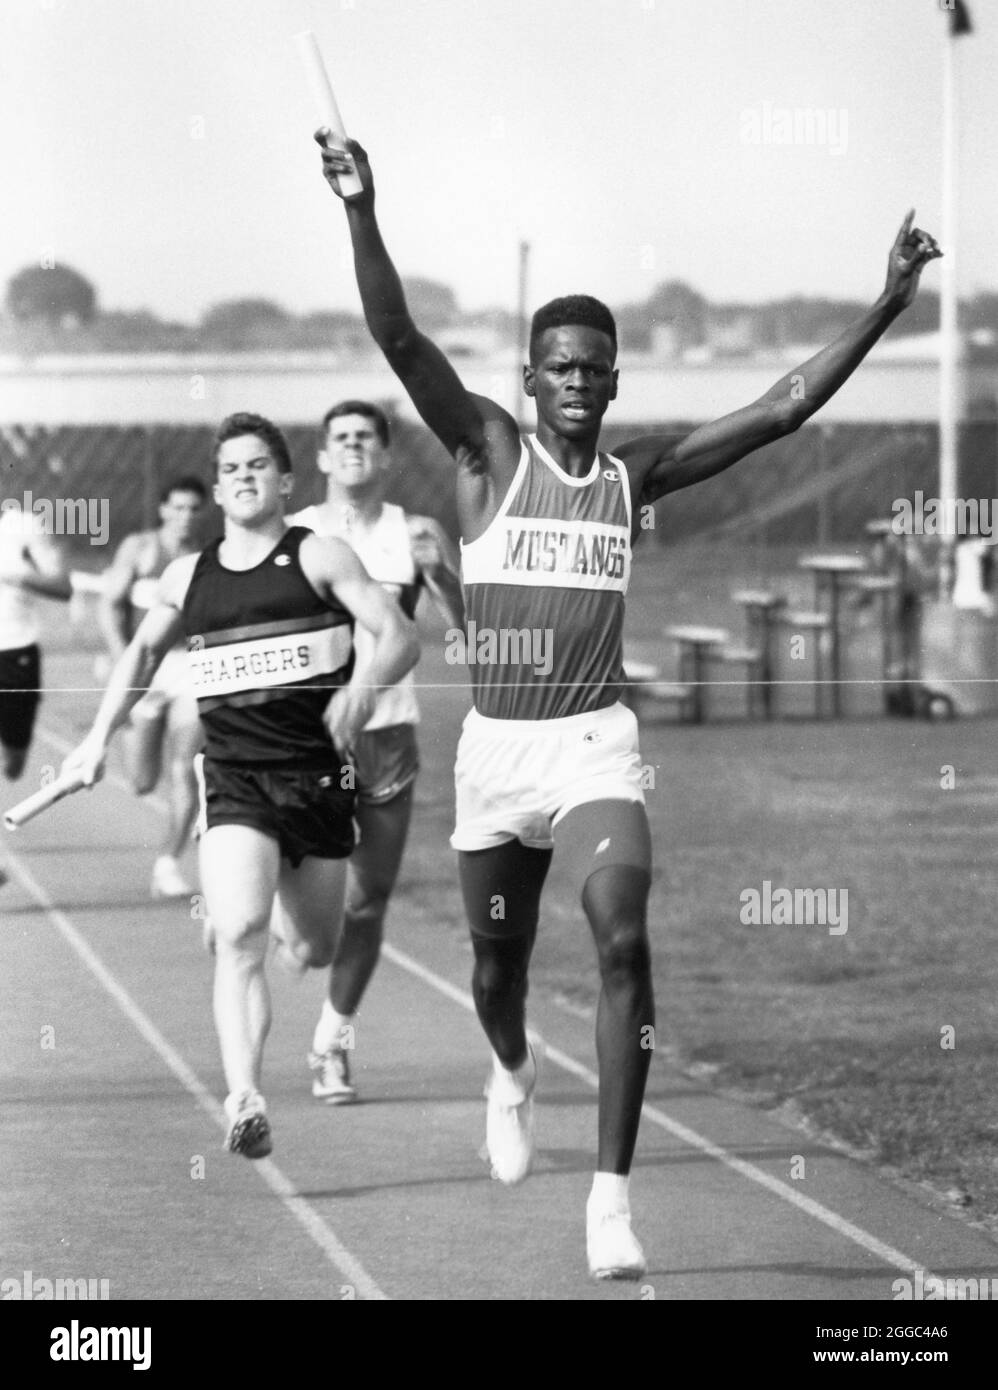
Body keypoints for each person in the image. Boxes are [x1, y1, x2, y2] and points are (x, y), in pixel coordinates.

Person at [317, 134, 940, 1279]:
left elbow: (779, 408)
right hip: (498, 757)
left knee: (622, 943)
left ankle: (609, 1197)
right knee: (496, 978)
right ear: (528, 379)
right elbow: (397, 337)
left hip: (596, 747)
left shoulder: (630, 478)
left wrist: (885, 303)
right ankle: (509, 1072)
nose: (572, 379)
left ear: (611, 382)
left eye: (591, 366)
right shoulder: (485, 455)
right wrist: (363, 207)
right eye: (555, 363)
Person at [62, 412, 419, 1159]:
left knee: (317, 946)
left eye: (259, 466)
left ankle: (289, 927)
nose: (244, 477)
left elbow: (400, 636)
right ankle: (245, 1099)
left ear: (286, 482)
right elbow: (138, 655)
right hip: (234, 783)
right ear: (219, 486)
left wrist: (361, 690)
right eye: (231, 469)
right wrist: (97, 740)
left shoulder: (321, 555)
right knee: (237, 937)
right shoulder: (188, 576)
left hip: (318, 782)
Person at [288, 399, 464, 1104]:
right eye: (341, 438)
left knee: (368, 901)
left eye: (367, 437)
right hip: (307, 733)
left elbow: (470, 634)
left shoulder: (416, 533)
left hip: (388, 733)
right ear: (324, 457)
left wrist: (443, 576)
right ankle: (273, 919)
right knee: (306, 919)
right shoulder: (296, 532)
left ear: (386, 456)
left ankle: (331, 1042)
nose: (354, 447)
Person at [98, 476, 208, 898]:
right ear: (163, 509)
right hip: (144, 667)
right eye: (177, 507)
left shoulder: (207, 556)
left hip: (190, 670)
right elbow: (110, 605)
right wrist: (121, 660)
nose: (184, 516)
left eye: (193, 509)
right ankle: (137, 734)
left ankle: (167, 864)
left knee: (185, 765)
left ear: (203, 513)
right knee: (142, 782)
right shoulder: (139, 548)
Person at [0, 501, 72, 888]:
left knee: (13, 762)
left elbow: (63, 586)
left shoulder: (25, 526)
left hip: (16, 653)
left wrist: (15, 575)